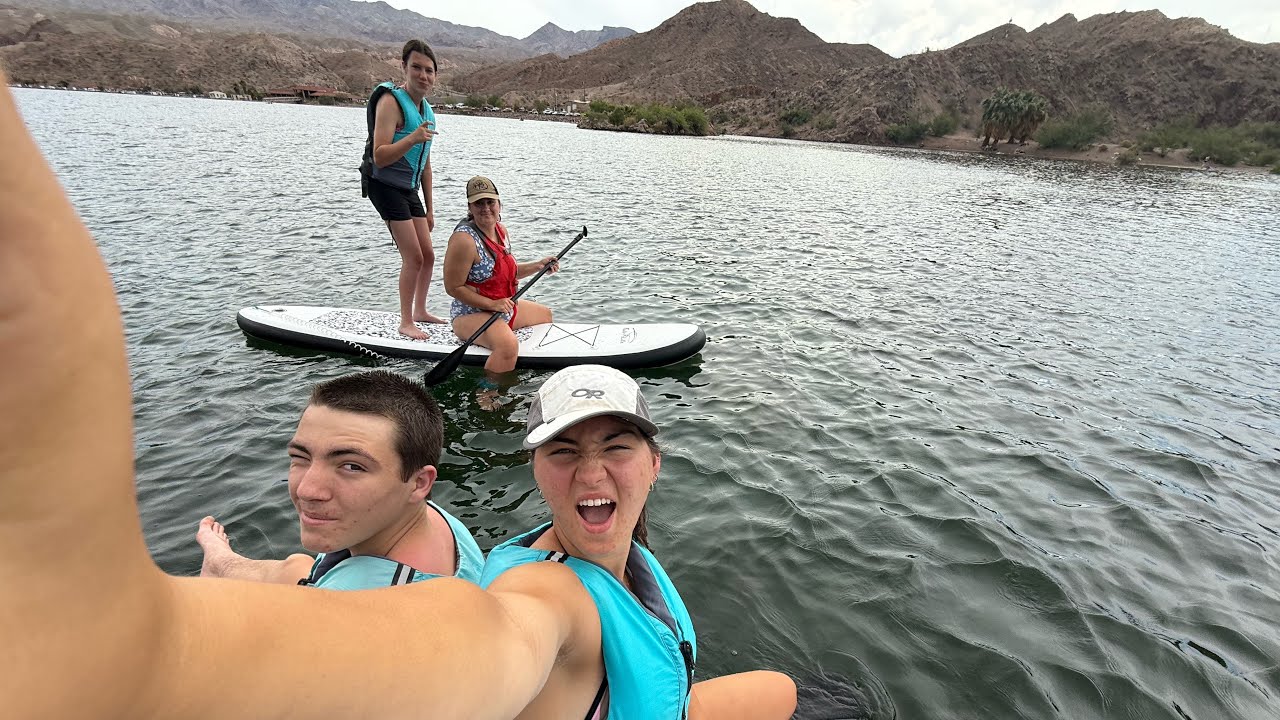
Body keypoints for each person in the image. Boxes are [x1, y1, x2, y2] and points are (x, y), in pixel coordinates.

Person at [0, 77, 795, 719]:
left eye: (614, 446)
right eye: (564, 448)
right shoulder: (544, 598)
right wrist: (131, 656)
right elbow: (478, 646)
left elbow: (512, 284)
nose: (591, 471)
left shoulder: (613, 558)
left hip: (505, 314)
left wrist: (534, 275)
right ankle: (492, 397)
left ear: (654, 463)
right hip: (468, 319)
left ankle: (231, 565)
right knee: (511, 347)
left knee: (786, 691)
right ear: (536, 466)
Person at [196, 370, 484, 588]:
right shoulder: (431, 517)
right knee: (297, 566)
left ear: (420, 483)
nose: (307, 491)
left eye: (352, 466)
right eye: (300, 457)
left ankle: (220, 567)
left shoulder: (355, 607)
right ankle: (222, 563)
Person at [361, 38, 444, 339]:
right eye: (417, 68)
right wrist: (411, 138)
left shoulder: (427, 113)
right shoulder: (391, 102)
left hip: (409, 189)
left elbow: (426, 166)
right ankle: (406, 321)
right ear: (404, 68)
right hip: (383, 185)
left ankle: (421, 310)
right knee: (414, 258)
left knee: (430, 255)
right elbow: (380, 155)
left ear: (435, 76)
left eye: (429, 71)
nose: (423, 75)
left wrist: (431, 209)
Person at [443, 176, 561, 384]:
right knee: (508, 346)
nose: (486, 208)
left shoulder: (501, 230)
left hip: (502, 308)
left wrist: (538, 265)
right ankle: (486, 391)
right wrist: (492, 304)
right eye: (479, 203)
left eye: (490, 202)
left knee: (545, 315)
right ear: (470, 206)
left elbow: (506, 274)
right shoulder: (463, 240)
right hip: (470, 315)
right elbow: (453, 287)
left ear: (499, 204)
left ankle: (515, 360)